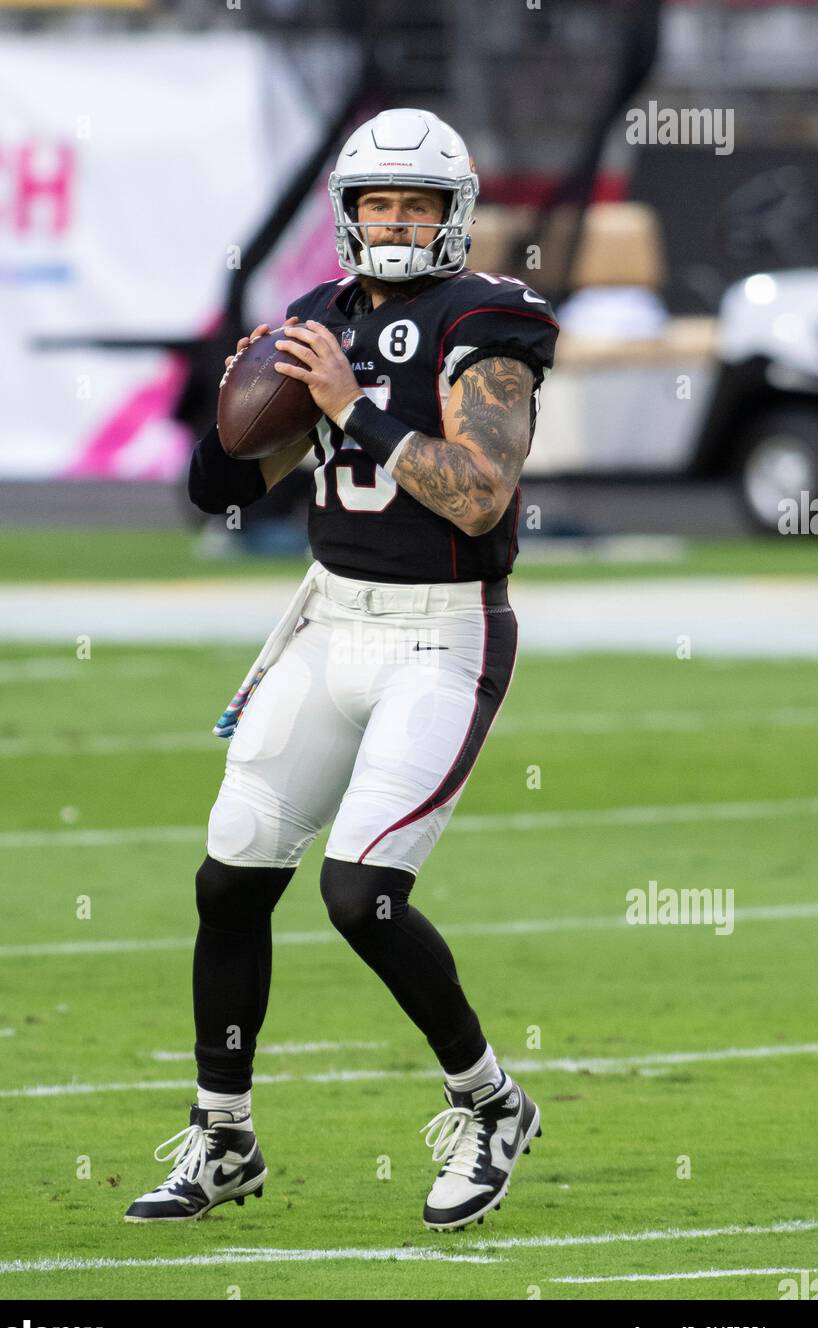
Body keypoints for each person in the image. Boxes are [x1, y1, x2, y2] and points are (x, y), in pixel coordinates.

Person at [125, 108, 558, 1232]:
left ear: (453, 215)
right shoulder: (317, 318)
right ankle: (222, 1135)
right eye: (380, 202)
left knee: (360, 894)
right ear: (349, 213)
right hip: (328, 621)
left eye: (419, 204)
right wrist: (234, 419)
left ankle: (489, 1102)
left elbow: (478, 490)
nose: (399, 221)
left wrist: (347, 404)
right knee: (230, 877)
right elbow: (226, 495)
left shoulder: (486, 319)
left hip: (440, 634)